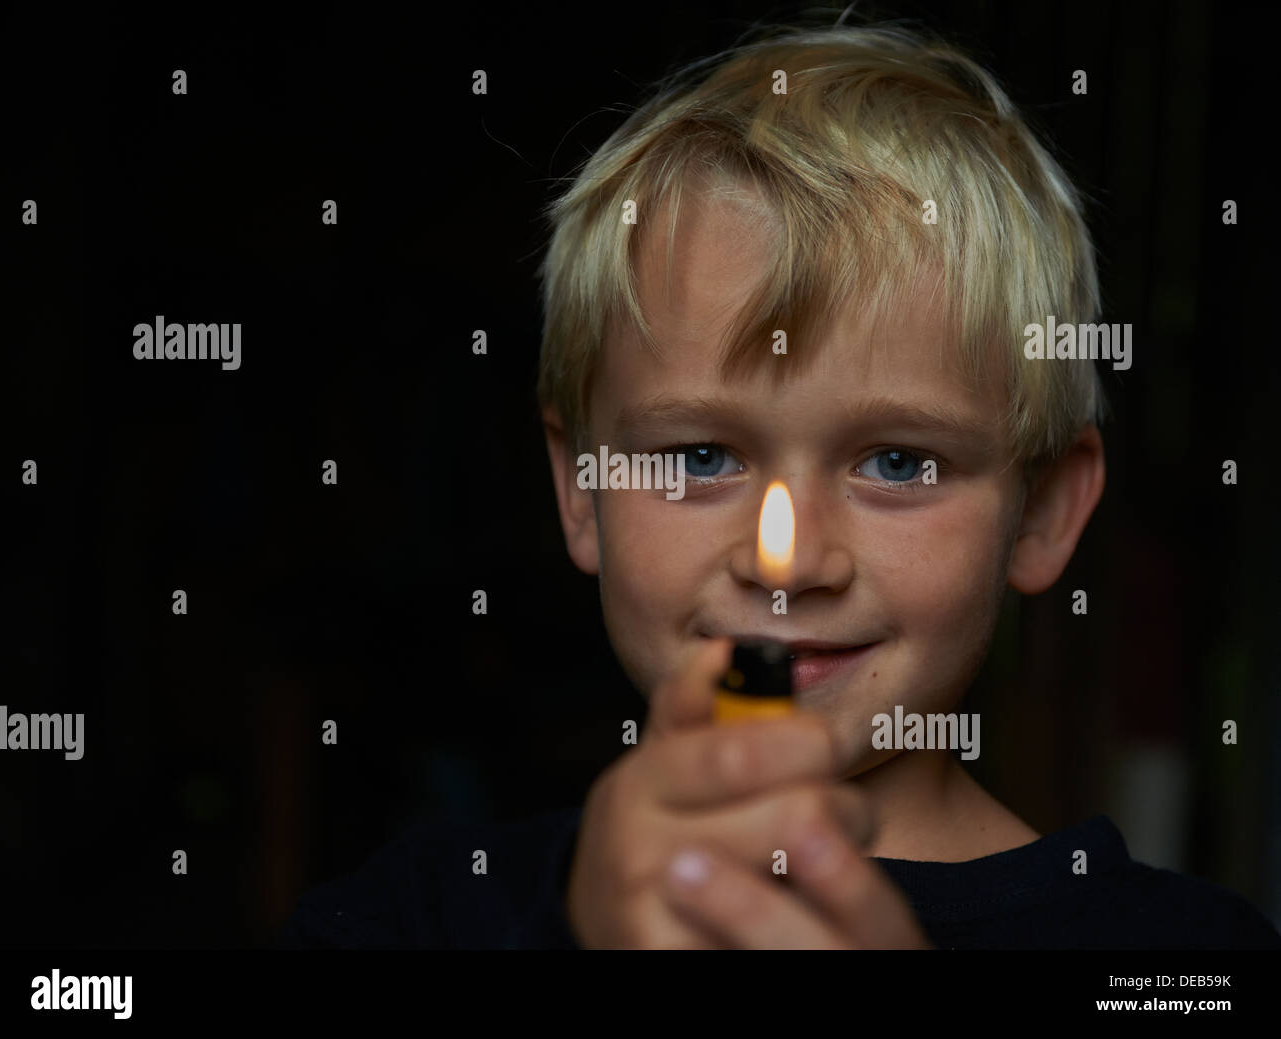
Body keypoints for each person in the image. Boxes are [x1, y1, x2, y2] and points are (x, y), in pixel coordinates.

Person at [278, 23, 1280, 950]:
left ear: (1045, 511)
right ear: (580, 488)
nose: (789, 561)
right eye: (699, 457)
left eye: (898, 462)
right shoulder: (416, 918)